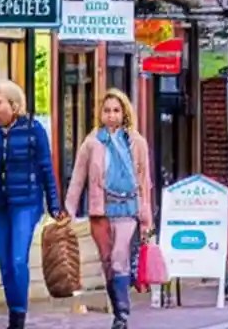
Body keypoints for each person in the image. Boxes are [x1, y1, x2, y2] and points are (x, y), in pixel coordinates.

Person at [0, 80, 62, 329]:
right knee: (5, 264)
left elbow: (46, 167)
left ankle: (18, 316)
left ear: (13, 105)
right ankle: (14, 309)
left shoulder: (33, 130)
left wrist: (54, 204)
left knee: (18, 259)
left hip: (25, 202)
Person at [66, 89, 154, 329]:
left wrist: (146, 215)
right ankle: (117, 311)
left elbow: (145, 180)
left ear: (124, 113)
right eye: (107, 111)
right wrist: (68, 210)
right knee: (107, 263)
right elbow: (78, 178)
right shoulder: (92, 142)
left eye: (116, 110)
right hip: (100, 210)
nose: (112, 115)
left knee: (118, 257)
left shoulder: (137, 142)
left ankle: (122, 315)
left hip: (127, 208)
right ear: (100, 114)